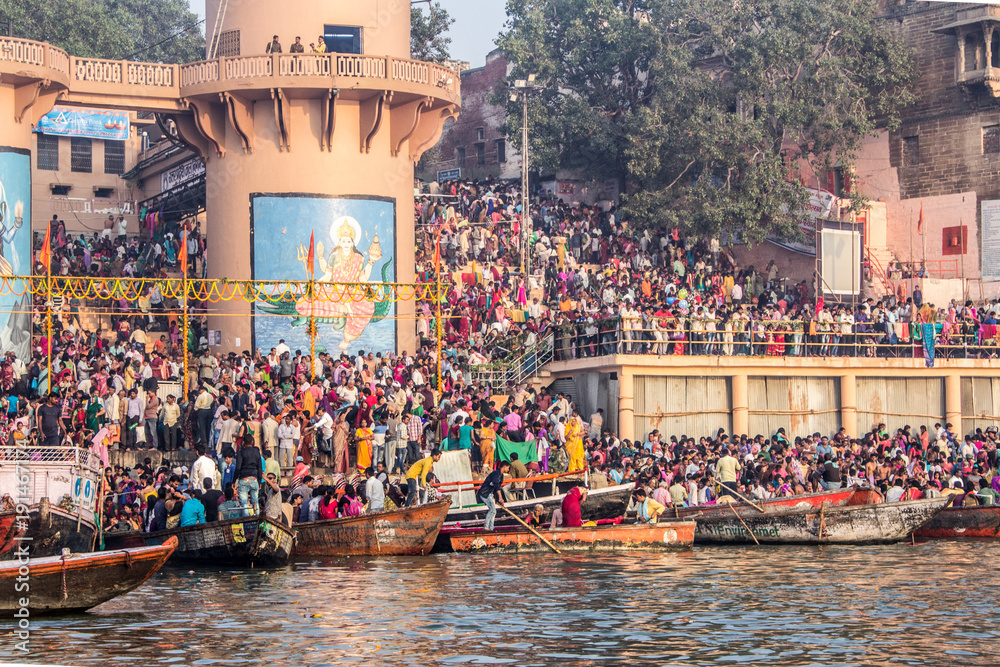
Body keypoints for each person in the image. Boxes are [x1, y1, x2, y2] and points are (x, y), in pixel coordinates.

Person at [477, 459, 509, 531]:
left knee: (494, 511)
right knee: (492, 510)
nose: (508, 469)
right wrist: (500, 498)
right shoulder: (496, 474)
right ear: (504, 467)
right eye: (508, 468)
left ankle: (491, 528)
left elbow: (497, 488)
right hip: (485, 493)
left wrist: (497, 499)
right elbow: (497, 486)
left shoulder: (501, 476)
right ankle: (486, 527)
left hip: (490, 494)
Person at [234, 436, 263, 515]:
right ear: (252, 442)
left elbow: (238, 468)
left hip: (243, 478)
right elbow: (260, 468)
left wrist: (234, 480)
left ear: (243, 443)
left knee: (244, 503)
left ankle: (246, 521)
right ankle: (257, 518)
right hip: (254, 478)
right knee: (255, 501)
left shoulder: (241, 452)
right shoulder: (257, 452)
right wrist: (259, 481)